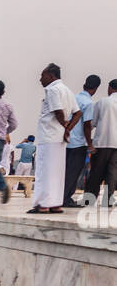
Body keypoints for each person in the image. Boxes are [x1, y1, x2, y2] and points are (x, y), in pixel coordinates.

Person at [29, 63, 81, 214]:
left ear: (51, 76)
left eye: (42, 76)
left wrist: (65, 126)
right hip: (60, 139)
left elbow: (58, 110)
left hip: (49, 136)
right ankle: (55, 204)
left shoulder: (52, 89)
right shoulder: (67, 90)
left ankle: (43, 205)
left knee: (44, 172)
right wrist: (68, 129)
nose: (40, 79)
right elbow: (78, 113)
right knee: (57, 173)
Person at [63, 75, 100, 208]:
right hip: (78, 143)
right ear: (96, 89)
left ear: (84, 85)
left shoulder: (74, 98)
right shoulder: (88, 103)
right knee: (73, 173)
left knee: (65, 171)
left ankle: (61, 197)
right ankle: (66, 199)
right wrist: (90, 144)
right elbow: (87, 125)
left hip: (66, 140)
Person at [86, 80, 117, 206]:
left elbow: (92, 122)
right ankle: (108, 200)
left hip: (102, 142)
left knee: (96, 172)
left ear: (110, 88)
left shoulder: (102, 102)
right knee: (112, 172)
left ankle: (89, 200)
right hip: (116, 145)